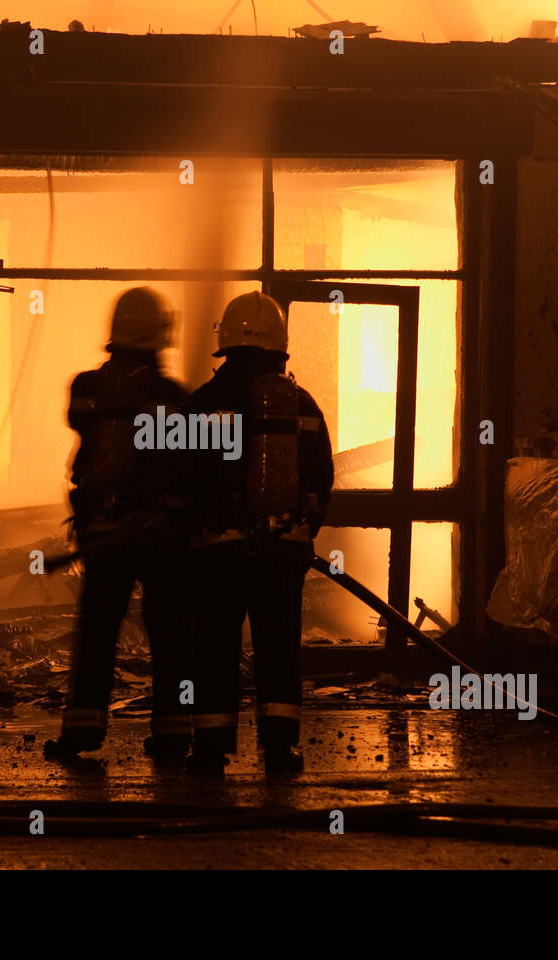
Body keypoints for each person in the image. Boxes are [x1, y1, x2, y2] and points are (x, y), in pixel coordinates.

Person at [179, 291, 333, 775]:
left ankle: (210, 747)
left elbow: (180, 476)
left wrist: (192, 528)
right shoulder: (301, 405)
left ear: (224, 345)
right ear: (280, 347)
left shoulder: (202, 405)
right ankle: (279, 748)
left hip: (218, 552)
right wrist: (300, 532)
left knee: (214, 647)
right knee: (279, 647)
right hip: (281, 551)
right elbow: (320, 478)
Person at [44, 287, 194, 763]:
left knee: (98, 632)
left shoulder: (86, 387)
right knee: (170, 635)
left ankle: (81, 733)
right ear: (161, 335)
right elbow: (192, 463)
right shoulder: (174, 397)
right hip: (161, 539)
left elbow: (84, 442)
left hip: (104, 534)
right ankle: (174, 735)